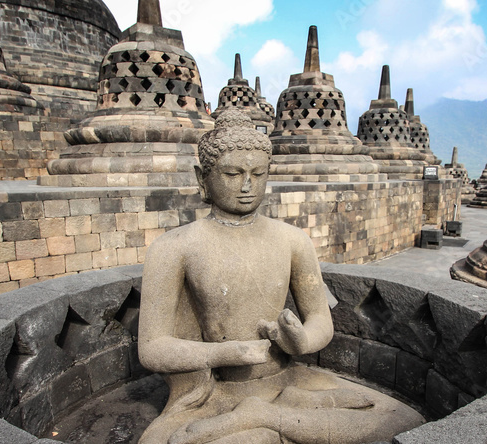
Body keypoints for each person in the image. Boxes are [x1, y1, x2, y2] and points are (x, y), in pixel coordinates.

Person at [138, 111, 423, 444]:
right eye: (232, 174)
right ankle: (271, 425)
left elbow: (320, 319)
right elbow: (152, 348)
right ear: (203, 179)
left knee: (401, 418)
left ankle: (268, 418)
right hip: (218, 392)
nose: (247, 186)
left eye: (258, 174)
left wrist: (302, 340)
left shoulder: (292, 240)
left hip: (287, 378)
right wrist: (225, 354)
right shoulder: (174, 247)